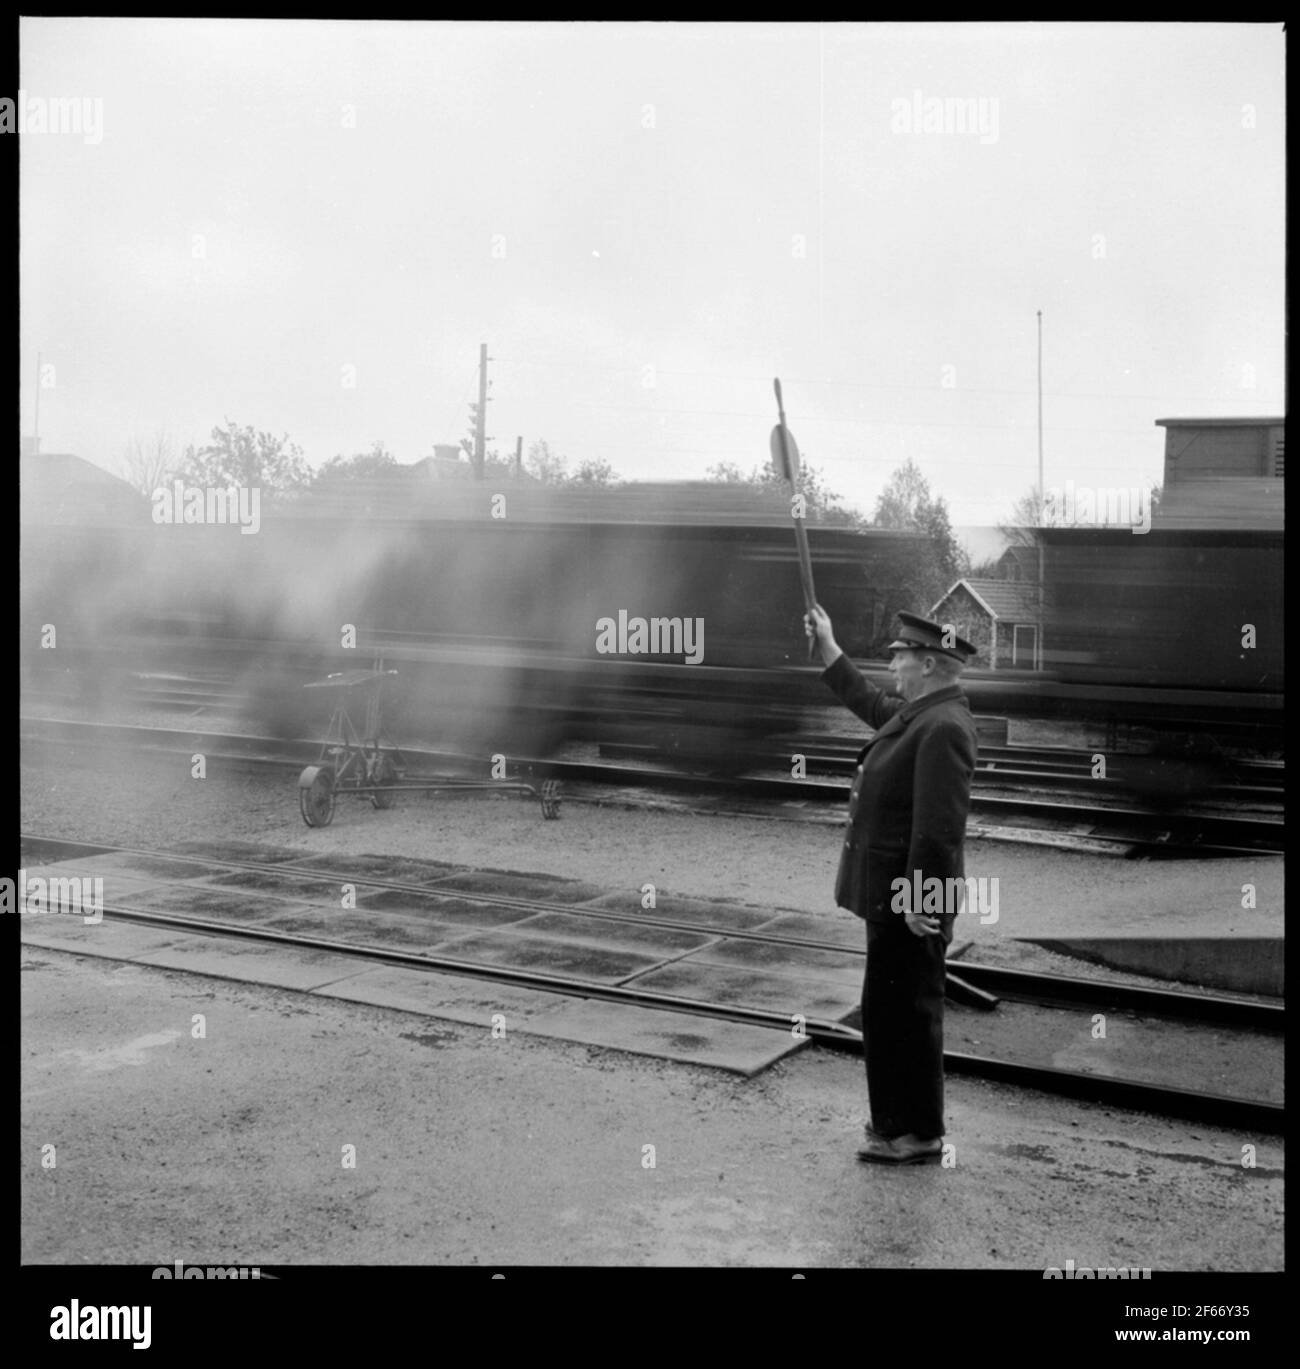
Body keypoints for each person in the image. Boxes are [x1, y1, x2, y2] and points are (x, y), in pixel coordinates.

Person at [804, 604, 978, 1164]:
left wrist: (920, 900)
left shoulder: (943, 727)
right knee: (891, 1010)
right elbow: (870, 702)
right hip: (903, 898)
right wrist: (829, 647)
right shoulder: (923, 714)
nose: (893, 667)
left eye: (900, 658)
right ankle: (899, 1124)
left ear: (928, 665)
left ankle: (916, 1132)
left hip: (915, 900)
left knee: (908, 1012)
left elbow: (937, 828)